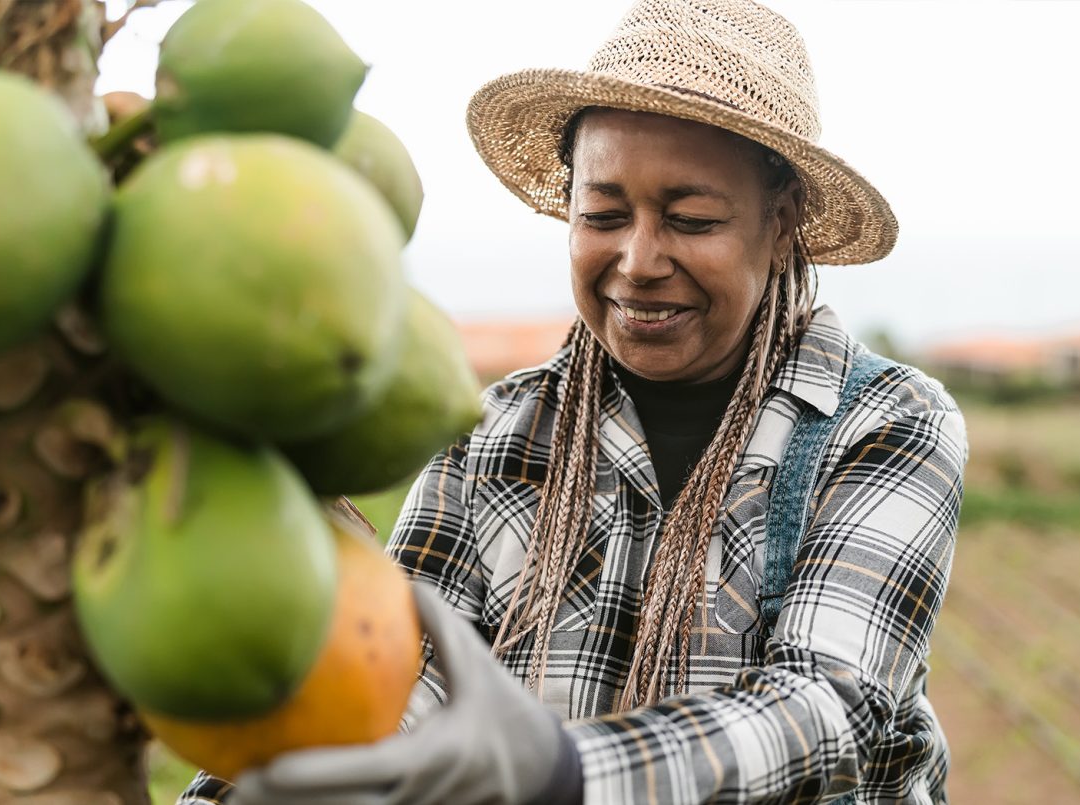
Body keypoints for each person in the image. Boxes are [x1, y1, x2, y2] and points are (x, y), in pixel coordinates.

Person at [181, 0, 967, 802]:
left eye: (691, 219)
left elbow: (830, 709)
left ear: (783, 219)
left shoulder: (885, 423)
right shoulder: (493, 439)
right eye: (603, 215)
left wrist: (559, 770)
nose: (638, 259)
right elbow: (400, 682)